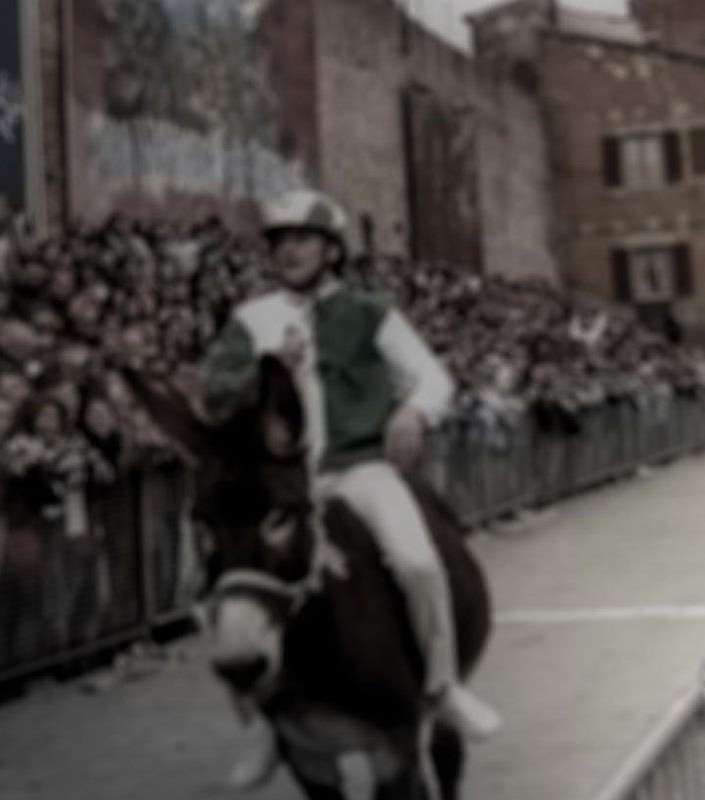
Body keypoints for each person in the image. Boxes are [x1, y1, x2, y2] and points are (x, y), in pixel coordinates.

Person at [197, 190, 501, 746]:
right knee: (230, 587)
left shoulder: (369, 312)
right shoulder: (251, 318)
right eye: (279, 241)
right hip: (285, 482)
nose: (289, 251)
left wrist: (412, 411)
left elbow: (434, 378)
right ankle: (270, 724)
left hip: (359, 468)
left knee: (417, 564)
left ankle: (443, 687)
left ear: (332, 250)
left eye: (302, 239)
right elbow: (212, 394)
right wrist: (261, 374)